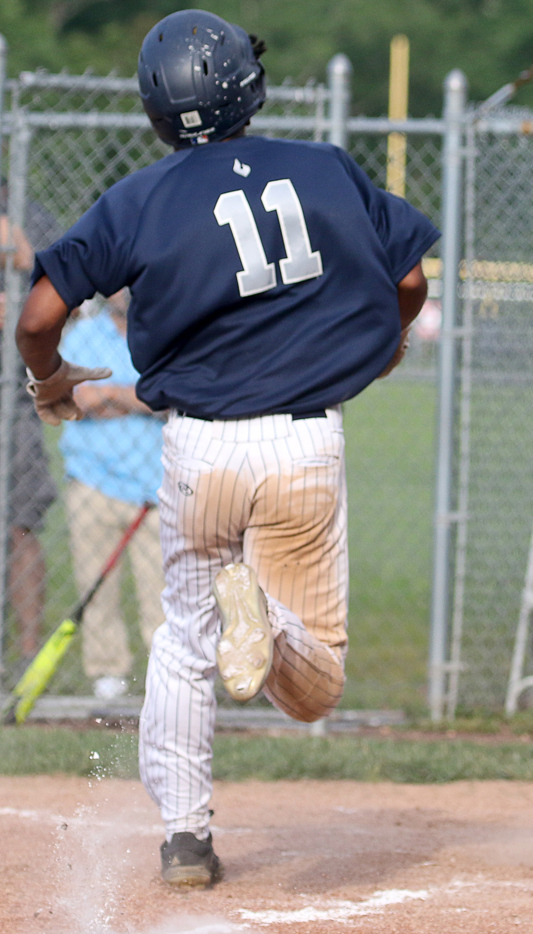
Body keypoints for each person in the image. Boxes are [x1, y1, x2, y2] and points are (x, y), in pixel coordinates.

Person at [15, 10, 437, 888]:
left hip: (198, 450)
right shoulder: (322, 168)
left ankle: (185, 839)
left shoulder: (142, 196)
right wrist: (387, 343)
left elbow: (38, 315)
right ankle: (272, 627)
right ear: (251, 87)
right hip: (302, 445)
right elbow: (408, 277)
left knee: (182, 640)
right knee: (312, 689)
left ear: (155, 110)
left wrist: (52, 382)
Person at [59, 289, 165, 701]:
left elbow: (169, 398)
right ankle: (107, 673)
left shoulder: (163, 333)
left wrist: (107, 393)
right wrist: (135, 396)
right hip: (93, 479)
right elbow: (72, 398)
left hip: (155, 483)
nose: (127, 289)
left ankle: (166, 672)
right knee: (95, 586)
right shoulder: (83, 336)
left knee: (162, 590)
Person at [0, 217, 56, 666]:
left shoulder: (27, 215)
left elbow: (62, 295)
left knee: (22, 526)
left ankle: (28, 652)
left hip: (15, 399)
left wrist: (14, 240)